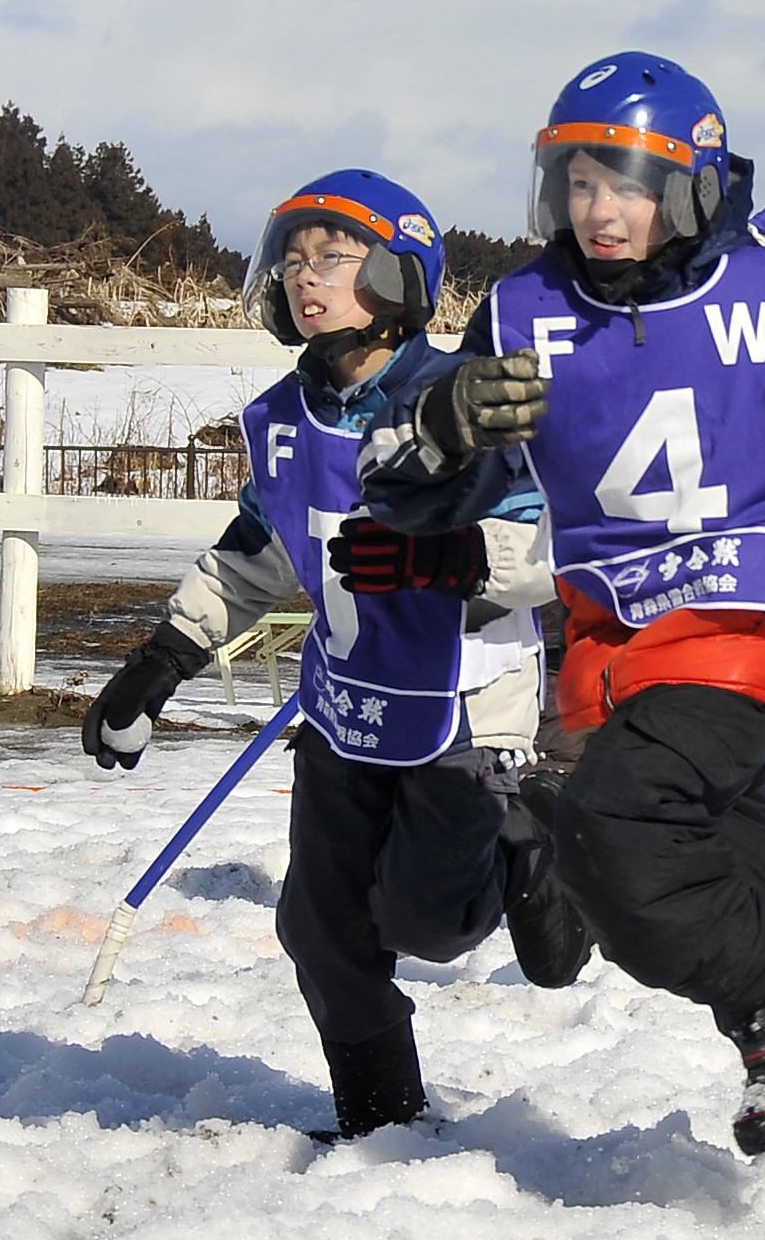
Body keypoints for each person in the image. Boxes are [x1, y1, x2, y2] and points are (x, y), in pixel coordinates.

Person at [360, 52, 765, 1174]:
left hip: (744, 621)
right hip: (610, 645)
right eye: (574, 183)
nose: (596, 210)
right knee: (745, 891)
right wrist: (446, 421)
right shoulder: (525, 315)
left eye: (623, 182)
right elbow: (403, 485)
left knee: (618, 828)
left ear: (693, 186)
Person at [80, 171, 583, 1142]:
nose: (307, 279)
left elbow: (553, 560)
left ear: (399, 274)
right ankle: (380, 1121)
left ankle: (532, 842)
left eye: (336, 258)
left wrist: (442, 559)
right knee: (319, 930)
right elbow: (259, 556)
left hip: (463, 706)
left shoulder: (463, 408)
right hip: (345, 709)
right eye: (295, 260)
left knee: (429, 923)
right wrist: (158, 662)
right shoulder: (280, 417)